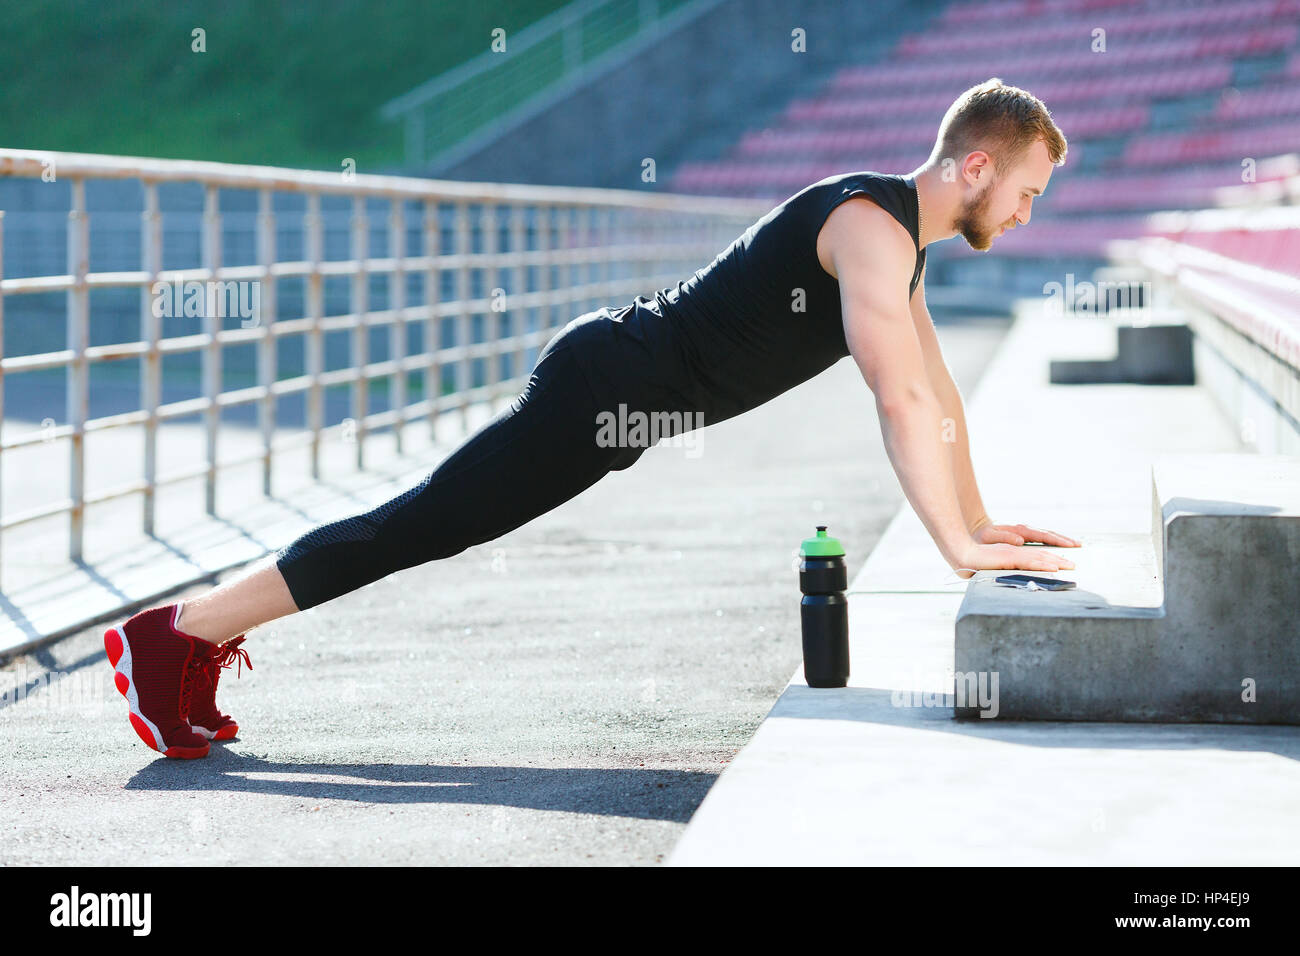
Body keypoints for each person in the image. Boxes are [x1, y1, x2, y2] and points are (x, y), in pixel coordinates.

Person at [104, 77, 1079, 758]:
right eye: (1029, 190)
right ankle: (172, 633)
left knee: (424, 523)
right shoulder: (868, 225)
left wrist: (980, 517)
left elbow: (938, 391)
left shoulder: (897, 242)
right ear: (980, 165)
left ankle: (185, 640)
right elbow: (897, 393)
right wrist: (952, 541)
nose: (1030, 213)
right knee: (421, 524)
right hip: (602, 387)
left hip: (617, 395)